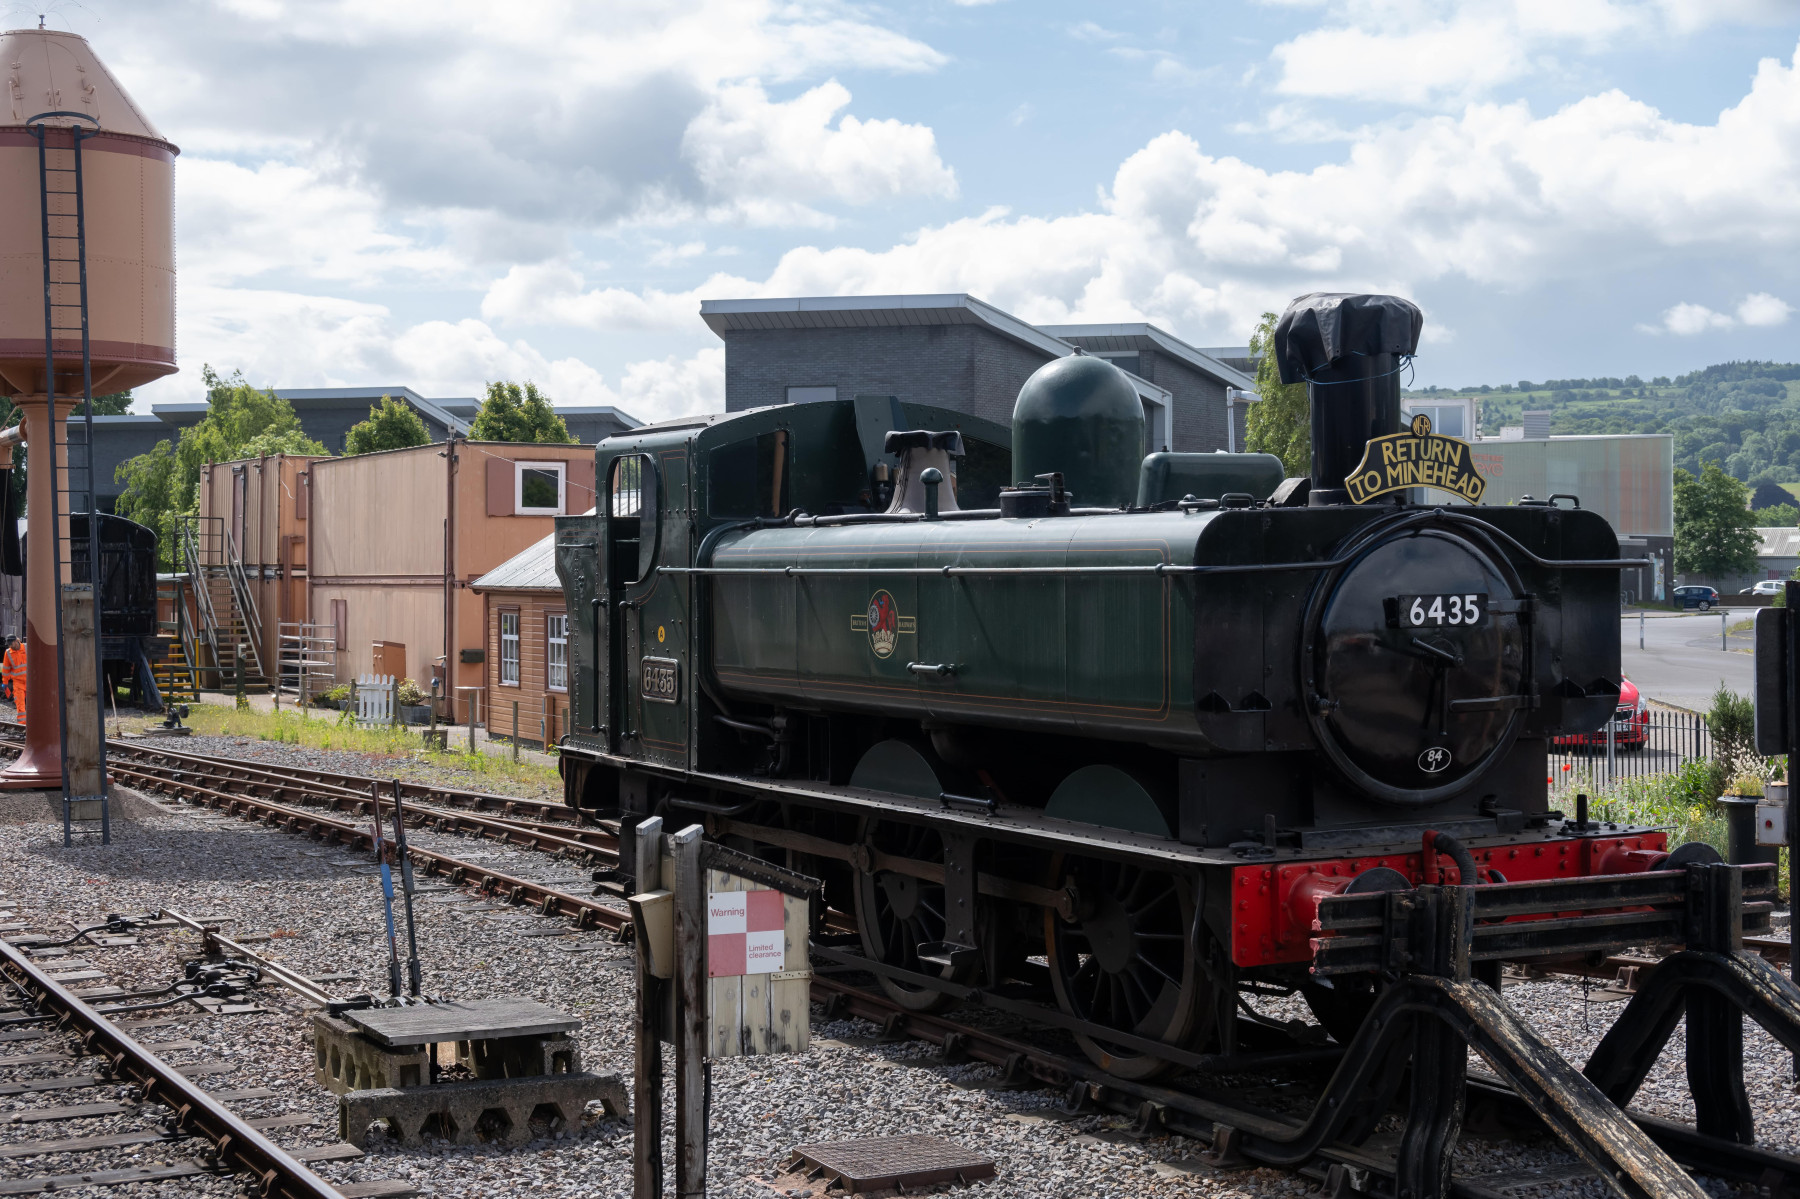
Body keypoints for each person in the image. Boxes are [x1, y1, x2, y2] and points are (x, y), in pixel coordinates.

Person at [2, 636, 22, 721]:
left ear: (16, 641)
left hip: (30, 682)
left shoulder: (26, 648)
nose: (10, 646)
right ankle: (23, 725)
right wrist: (5, 682)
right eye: (9, 644)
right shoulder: (8, 652)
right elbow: (6, 669)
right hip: (18, 683)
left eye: (11, 644)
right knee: (20, 705)